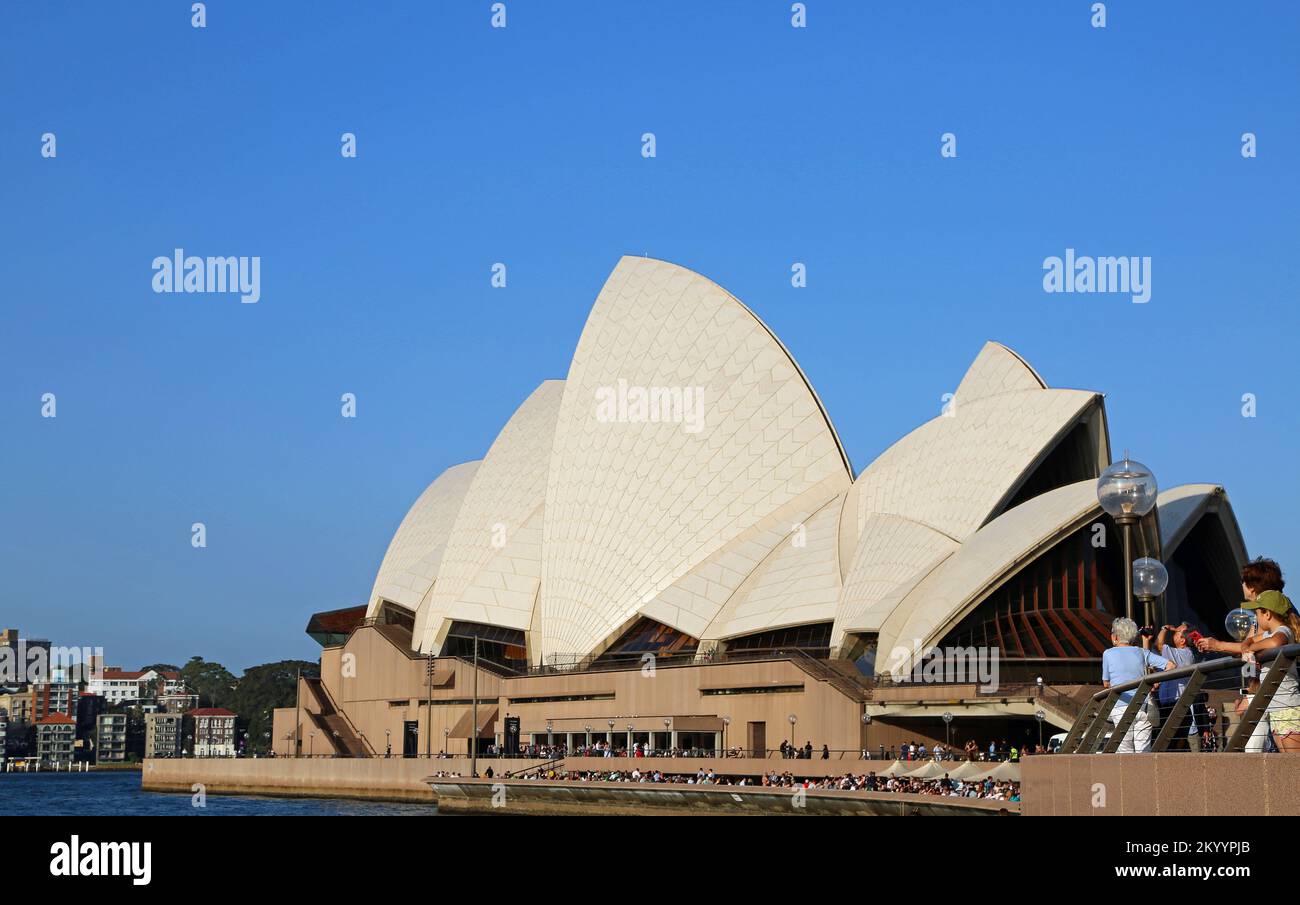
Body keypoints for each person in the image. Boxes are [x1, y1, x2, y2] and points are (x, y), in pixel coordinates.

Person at [1196, 589, 1300, 752]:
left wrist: (1250, 648)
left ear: (1267, 614)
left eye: (1257, 613)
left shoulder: (1283, 631)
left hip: (1288, 708)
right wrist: (1216, 645)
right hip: (1277, 709)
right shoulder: (1268, 633)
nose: (1255, 618)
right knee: (1287, 764)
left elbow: (1274, 644)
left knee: (1294, 764)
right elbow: (1244, 645)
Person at [1102, 616, 1175, 752]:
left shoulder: (1108, 654)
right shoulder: (1142, 652)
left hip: (1121, 707)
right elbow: (1171, 665)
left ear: (1116, 637)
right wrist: (1155, 681)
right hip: (1143, 706)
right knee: (1144, 751)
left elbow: (1106, 684)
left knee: (1125, 751)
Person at [1155, 622, 1200, 750]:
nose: (1173, 632)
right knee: (1169, 746)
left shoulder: (1185, 654)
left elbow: (1159, 645)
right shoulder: (1177, 653)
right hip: (1170, 706)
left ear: (1183, 640)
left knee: (1170, 747)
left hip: (1176, 705)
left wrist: (1164, 628)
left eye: (1177, 632)